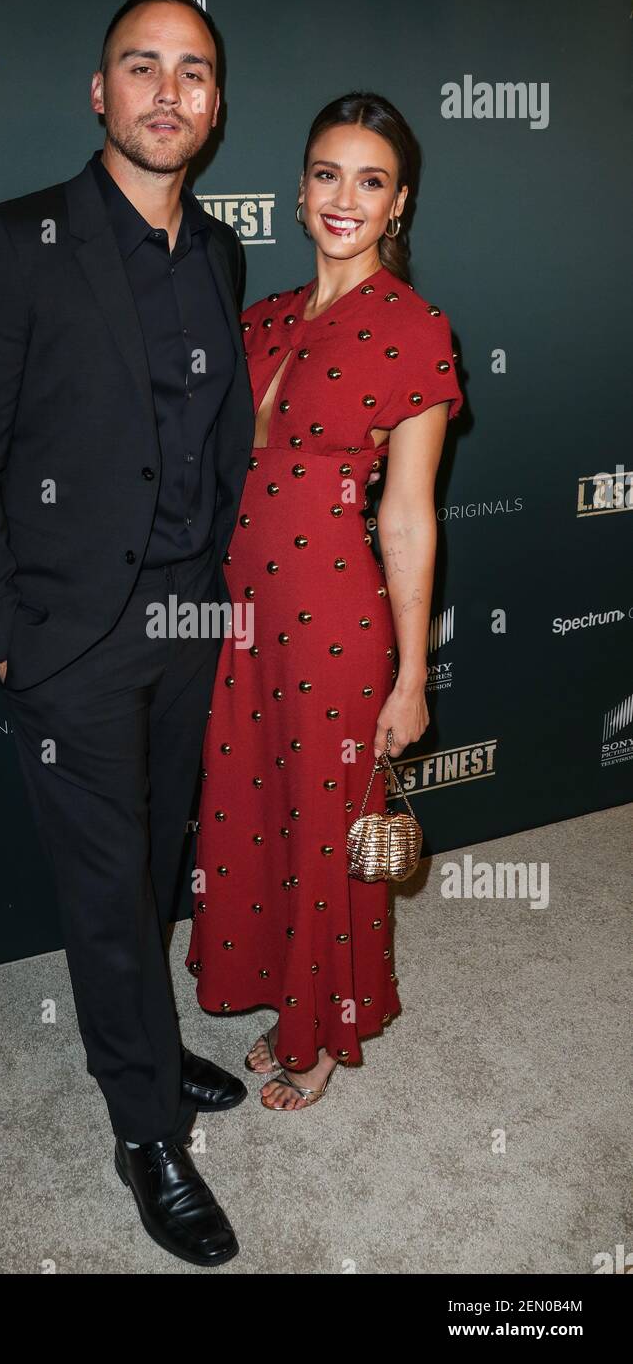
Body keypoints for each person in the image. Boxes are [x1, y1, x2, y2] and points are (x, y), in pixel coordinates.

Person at [0, 0, 256, 1267]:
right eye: (141, 67)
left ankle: (146, 1028)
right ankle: (144, 1127)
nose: (167, 93)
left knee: (158, 856)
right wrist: (3, 629)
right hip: (69, 632)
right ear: (98, 93)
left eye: (192, 72)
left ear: (214, 104)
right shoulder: (15, 241)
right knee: (102, 882)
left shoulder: (221, 251)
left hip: (188, 613)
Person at [186, 91, 464, 1111]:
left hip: (331, 622)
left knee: (320, 834)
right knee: (251, 816)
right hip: (236, 620)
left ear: (397, 206)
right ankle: (275, 996)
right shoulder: (255, 318)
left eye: (370, 180)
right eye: (326, 174)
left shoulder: (414, 328)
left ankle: (319, 1031)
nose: (344, 197)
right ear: (298, 194)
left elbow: (406, 520)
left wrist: (409, 674)